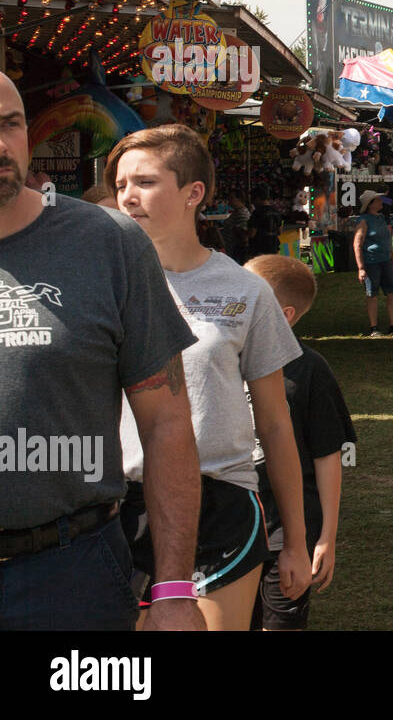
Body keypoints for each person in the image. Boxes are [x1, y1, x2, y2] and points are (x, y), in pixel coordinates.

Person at [0, 73, 205, 631]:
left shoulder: (107, 242)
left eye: (10, 125)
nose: (1, 144)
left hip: (67, 575)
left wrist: (173, 589)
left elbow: (166, 422)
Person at [107, 124, 312, 631]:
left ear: (193, 193)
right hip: (121, 506)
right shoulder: (102, 286)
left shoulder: (246, 291)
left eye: (146, 182)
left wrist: (297, 541)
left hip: (223, 502)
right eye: (120, 184)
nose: (128, 197)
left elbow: (277, 425)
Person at [244, 256, 356, 631]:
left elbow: (328, 456)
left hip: (288, 535)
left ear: (285, 315)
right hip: (230, 529)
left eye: (249, 297)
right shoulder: (222, 358)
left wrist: (326, 536)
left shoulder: (309, 370)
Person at [352, 189, 393, 336]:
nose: (381, 202)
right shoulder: (363, 221)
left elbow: (387, 241)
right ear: (370, 204)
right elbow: (357, 244)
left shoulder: (381, 218)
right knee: (372, 293)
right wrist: (361, 268)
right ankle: (373, 327)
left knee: (392, 291)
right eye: (377, 200)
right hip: (371, 262)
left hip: (385, 260)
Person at [247, 185, 283, 258]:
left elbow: (251, 234)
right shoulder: (276, 211)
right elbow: (280, 231)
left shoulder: (257, 213)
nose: (252, 202)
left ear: (257, 198)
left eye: (253, 199)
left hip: (259, 250)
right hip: (273, 248)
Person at [222, 190, 251, 263]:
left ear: (239, 199)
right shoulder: (237, 212)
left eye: (231, 198)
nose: (229, 200)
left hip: (236, 253)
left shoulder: (242, 214)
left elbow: (244, 238)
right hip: (231, 251)